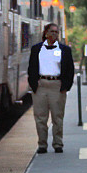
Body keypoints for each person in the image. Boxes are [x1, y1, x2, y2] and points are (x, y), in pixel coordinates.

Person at [27, 24, 75, 154]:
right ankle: (42, 144)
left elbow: (70, 69)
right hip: (41, 85)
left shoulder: (65, 50)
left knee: (57, 117)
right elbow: (31, 68)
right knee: (40, 117)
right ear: (46, 33)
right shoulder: (36, 49)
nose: (54, 34)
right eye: (52, 32)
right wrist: (33, 85)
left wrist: (66, 87)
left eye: (56, 32)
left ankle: (58, 143)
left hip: (57, 86)